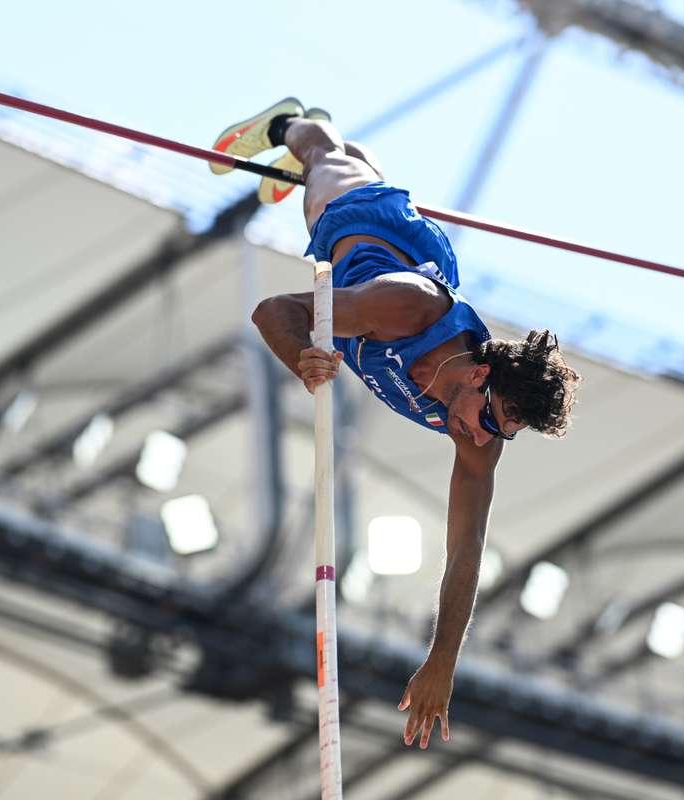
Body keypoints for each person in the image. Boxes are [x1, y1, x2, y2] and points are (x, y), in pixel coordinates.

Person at [210, 98, 581, 749]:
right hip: (360, 226)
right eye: (490, 420)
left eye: (504, 435)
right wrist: (303, 360)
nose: (482, 437)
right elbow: (275, 311)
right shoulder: (404, 311)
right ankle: (290, 124)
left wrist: (444, 658)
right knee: (328, 166)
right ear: (478, 375)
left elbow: (465, 552)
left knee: (356, 165)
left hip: (405, 253)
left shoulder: (481, 441)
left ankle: (335, 140)